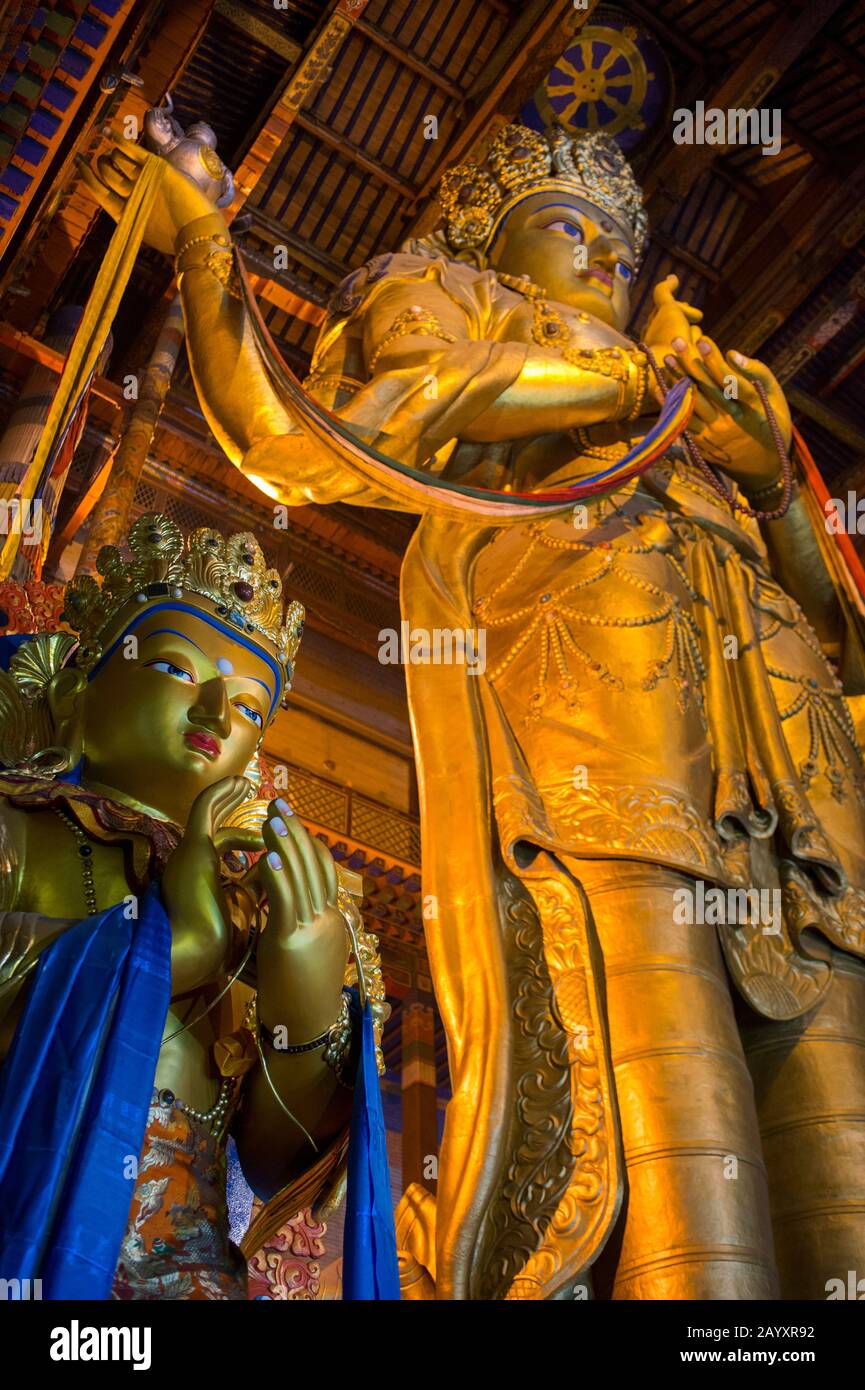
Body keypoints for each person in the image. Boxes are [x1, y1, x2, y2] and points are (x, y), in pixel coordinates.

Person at [81, 123, 865, 1301]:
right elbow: (323, 435)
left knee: (837, 1140)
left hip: (799, 780)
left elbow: (842, 640)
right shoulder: (448, 295)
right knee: (682, 1139)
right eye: (569, 229)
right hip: (608, 732)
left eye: (619, 246)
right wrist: (204, 241)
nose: (602, 260)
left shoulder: (699, 432)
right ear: (487, 254)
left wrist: (765, 481)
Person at [0, 513, 386, 1299]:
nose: (215, 714)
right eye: (179, 670)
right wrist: (169, 959)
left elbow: (272, 1162)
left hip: (191, 1267)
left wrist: (304, 994)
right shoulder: (17, 827)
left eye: (247, 708)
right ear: (77, 691)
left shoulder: (248, 907)